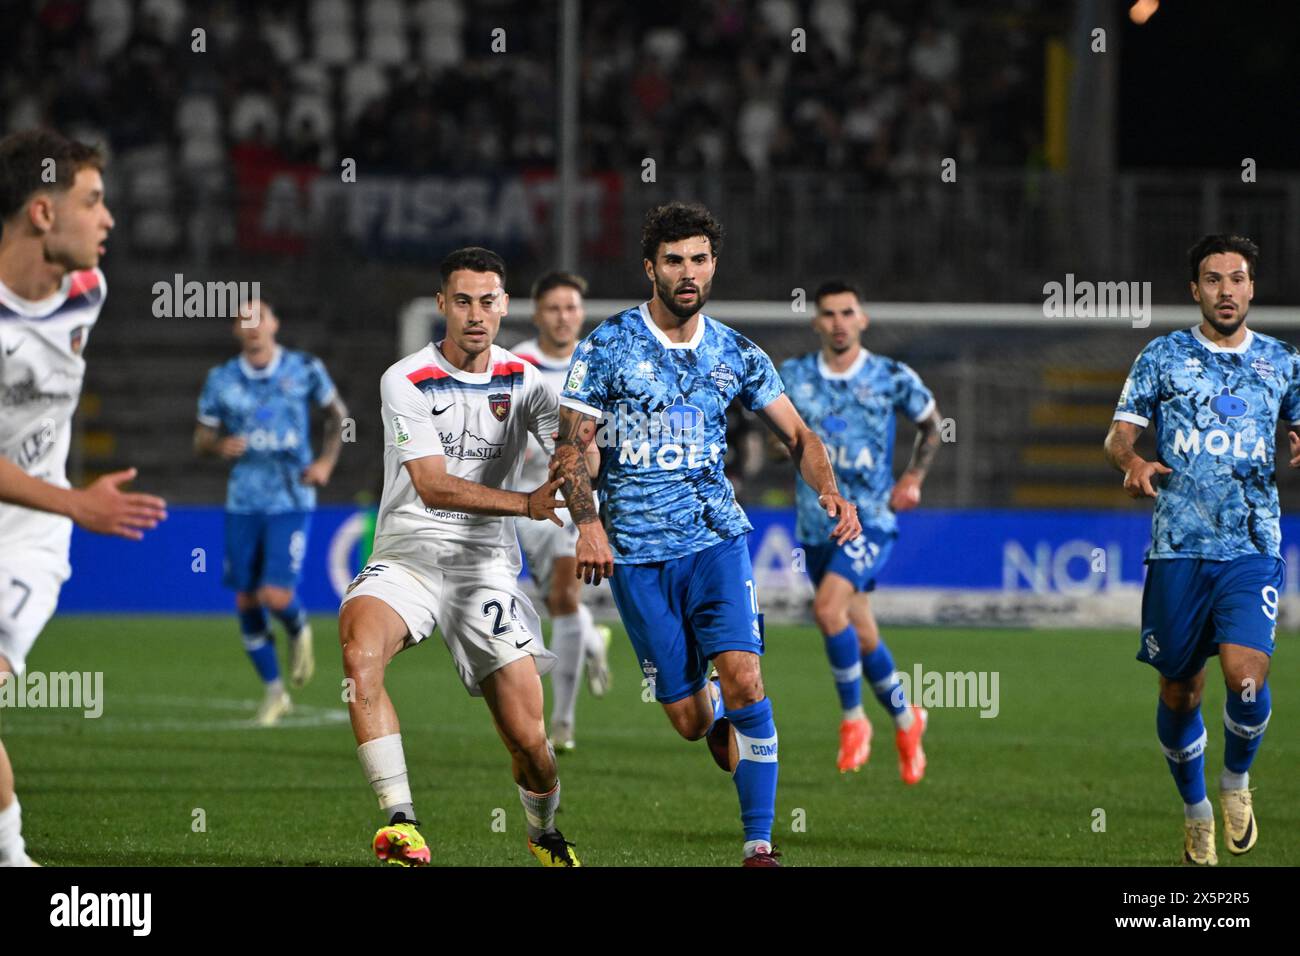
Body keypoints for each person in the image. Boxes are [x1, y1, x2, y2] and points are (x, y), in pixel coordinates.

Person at [549, 201, 860, 866]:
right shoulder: (607, 347)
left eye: (698, 260)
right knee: (691, 723)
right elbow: (570, 449)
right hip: (635, 555)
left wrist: (828, 487)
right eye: (673, 261)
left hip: (717, 539)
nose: (687, 273)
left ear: (713, 265)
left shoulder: (736, 353)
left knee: (747, 678)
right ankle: (711, 712)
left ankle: (759, 846)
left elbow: (799, 434)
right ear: (650, 268)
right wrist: (589, 524)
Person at [339, 246, 582, 867]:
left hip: (485, 570)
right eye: (464, 301)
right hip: (409, 557)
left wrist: (578, 462)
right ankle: (401, 822)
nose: (477, 314)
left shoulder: (525, 381)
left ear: (504, 306)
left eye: (489, 301)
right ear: (443, 304)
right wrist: (526, 503)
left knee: (530, 740)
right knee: (359, 654)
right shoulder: (406, 378)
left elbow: (575, 448)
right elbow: (431, 483)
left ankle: (543, 832)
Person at [0, 129, 167, 867]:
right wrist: (80, 503)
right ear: (42, 213)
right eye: (92, 202)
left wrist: (66, 506)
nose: (108, 221)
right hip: (61, 508)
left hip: (26, 536)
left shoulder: (87, 290)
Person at [1104, 234, 1292, 865]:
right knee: (1180, 691)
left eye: (1236, 279)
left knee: (1245, 680)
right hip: (1178, 548)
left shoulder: (1284, 362)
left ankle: (1236, 781)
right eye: (1213, 280)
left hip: (1252, 543)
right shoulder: (1163, 355)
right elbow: (1118, 435)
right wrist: (1132, 461)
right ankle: (1196, 812)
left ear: (1251, 288)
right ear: (1196, 291)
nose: (1226, 291)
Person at [780, 280, 939, 779]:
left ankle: (854, 721)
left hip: (869, 520)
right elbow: (768, 426)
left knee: (827, 611)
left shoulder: (890, 375)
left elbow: (932, 425)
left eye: (847, 312)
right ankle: (905, 715)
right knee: (862, 633)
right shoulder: (794, 376)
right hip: (814, 525)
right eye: (828, 314)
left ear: (863, 319)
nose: (838, 322)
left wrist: (913, 477)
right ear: (816, 322)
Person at [195, 299, 347, 725]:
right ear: (235, 330)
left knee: (274, 595)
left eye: (260, 316)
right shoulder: (220, 380)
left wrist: (326, 464)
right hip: (243, 499)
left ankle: (298, 628)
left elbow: (338, 415)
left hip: (289, 498)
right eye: (244, 319)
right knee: (245, 597)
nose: (253, 325)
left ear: (275, 323)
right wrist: (216, 445)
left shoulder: (303, 368)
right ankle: (275, 692)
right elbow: (200, 439)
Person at [509, 270, 611, 753]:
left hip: (577, 502)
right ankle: (592, 642)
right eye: (554, 308)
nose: (564, 316)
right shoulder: (516, 364)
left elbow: (608, 438)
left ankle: (563, 724)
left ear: (580, 313)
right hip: (525, 503)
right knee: (554, 603)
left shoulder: (596, 365)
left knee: (566, 601)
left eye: (571, 307)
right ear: (537, 314)